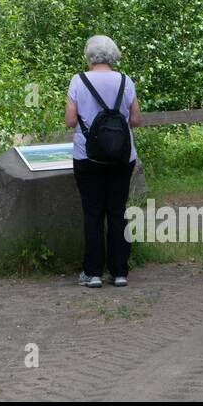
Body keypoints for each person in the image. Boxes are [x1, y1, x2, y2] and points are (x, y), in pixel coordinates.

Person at [65, 35, 141, 288]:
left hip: (87, 157)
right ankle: (120, 272)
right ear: (113, 55)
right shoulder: (125, 80)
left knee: (93, 212)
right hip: (121, 156)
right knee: (117, 211)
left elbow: (70, 120)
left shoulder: (78, 80)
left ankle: (93, 272)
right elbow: (136, 119)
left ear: (89, 55)